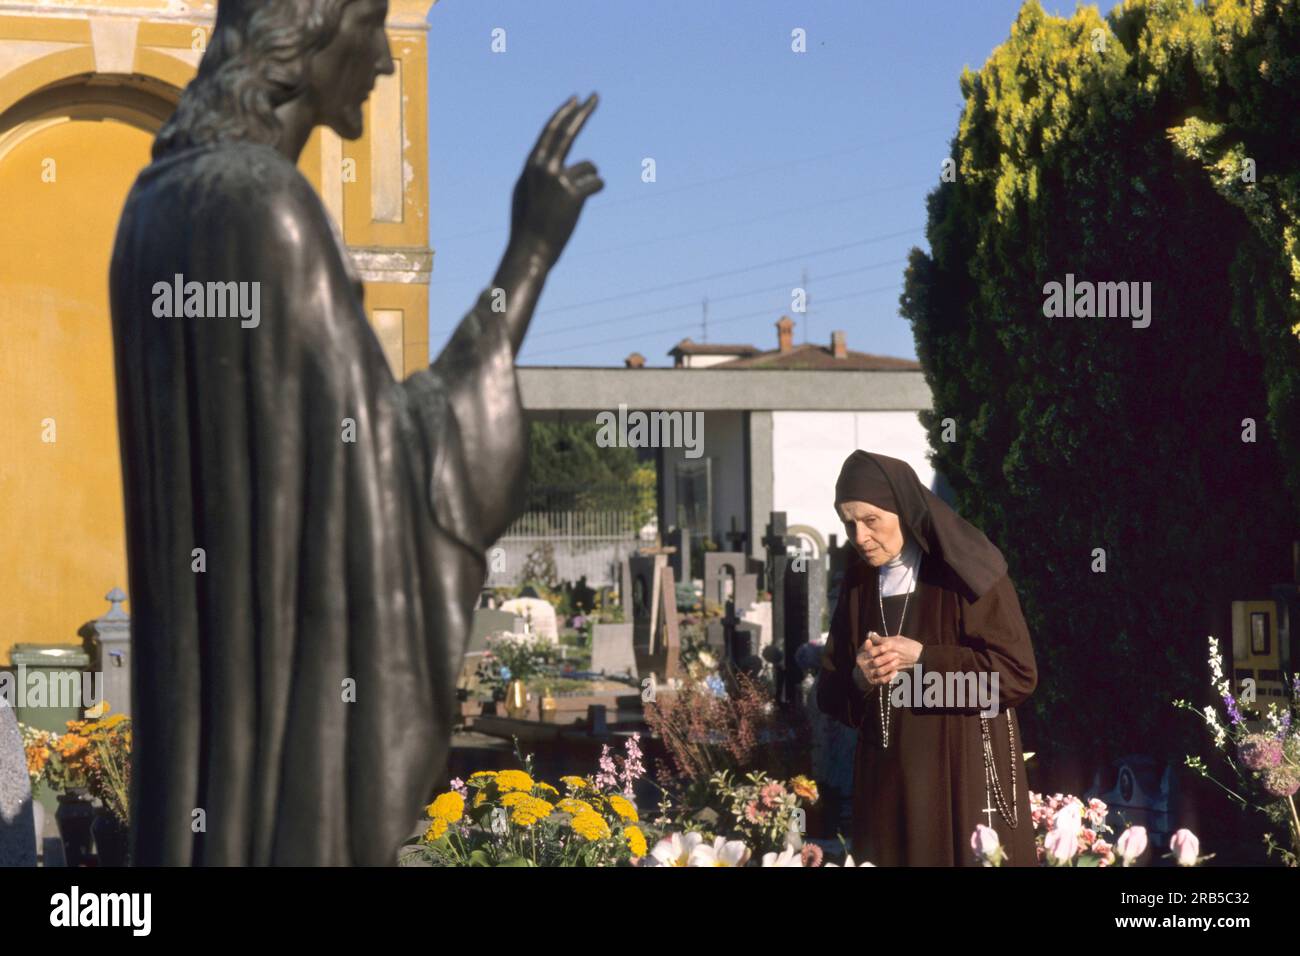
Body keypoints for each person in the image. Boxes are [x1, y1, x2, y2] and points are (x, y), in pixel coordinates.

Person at [109, 0, 602, 864]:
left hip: (197, 762)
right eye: (370, 23)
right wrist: (529, 256)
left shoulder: (151, 208)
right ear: (307, 27)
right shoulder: (271, 211)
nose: (383, 57)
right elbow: (399, 464)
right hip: (279, 790)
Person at [817, 450, 1038, 866]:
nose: (859, 536)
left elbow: (1016, 677)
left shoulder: (965, 569)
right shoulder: (860, 581)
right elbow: (830, 693)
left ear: (901, 509)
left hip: (962, 773)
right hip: (887, 784)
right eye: (849, 523)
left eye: (870, 520)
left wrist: (924, 659)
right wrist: (859, 679)